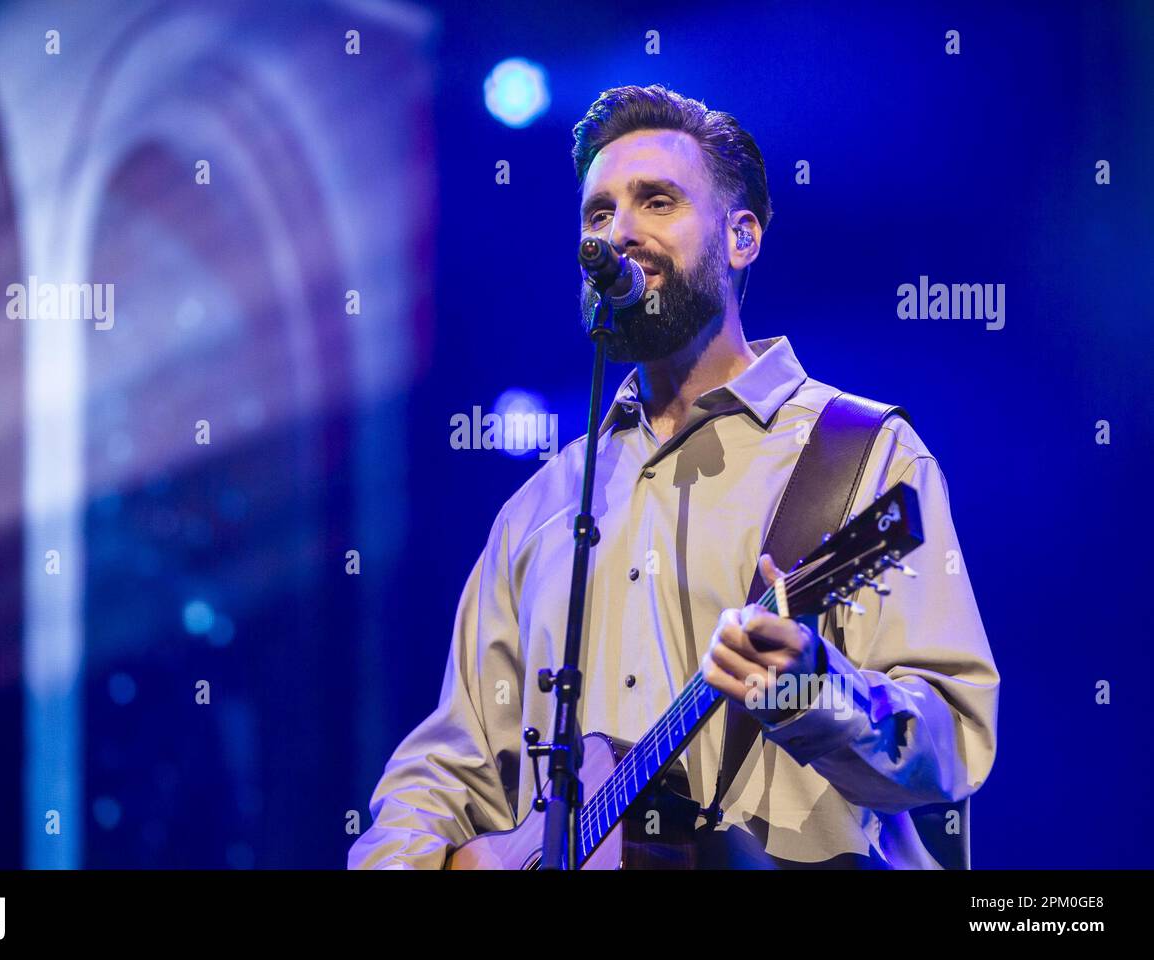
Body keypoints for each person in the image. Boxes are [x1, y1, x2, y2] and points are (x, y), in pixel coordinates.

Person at [348, 84, 999, 870]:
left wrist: (810, 693)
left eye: (656, 203)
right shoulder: (541, 508)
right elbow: (447, 763)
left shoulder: (863, 454)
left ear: (742, 236)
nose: (618, 233)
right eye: (597, 214)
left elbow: (951, 741)